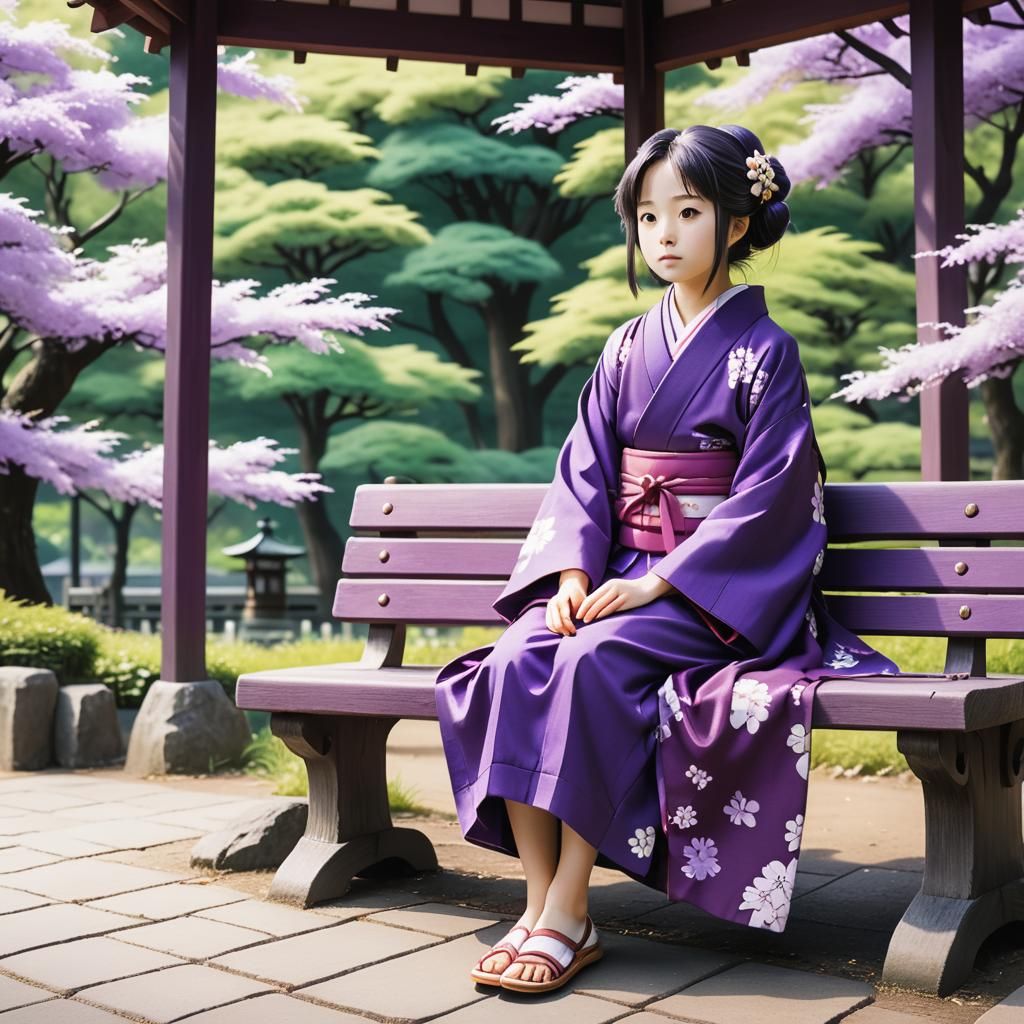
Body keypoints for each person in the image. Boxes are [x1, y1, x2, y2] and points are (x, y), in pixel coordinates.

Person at [434, 124, 900, 995]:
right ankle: (535, 903)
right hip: (614, 574)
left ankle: (570, 908)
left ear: (736, 223)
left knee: (593, 665)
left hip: (704, 595)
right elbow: (583, 471)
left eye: (687, 212)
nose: (664, 235)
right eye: (647, 217)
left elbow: (771, 496)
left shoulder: (767, 351)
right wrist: (572, 576)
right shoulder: (624, 347)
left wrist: (657, 581)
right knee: (519, 657)